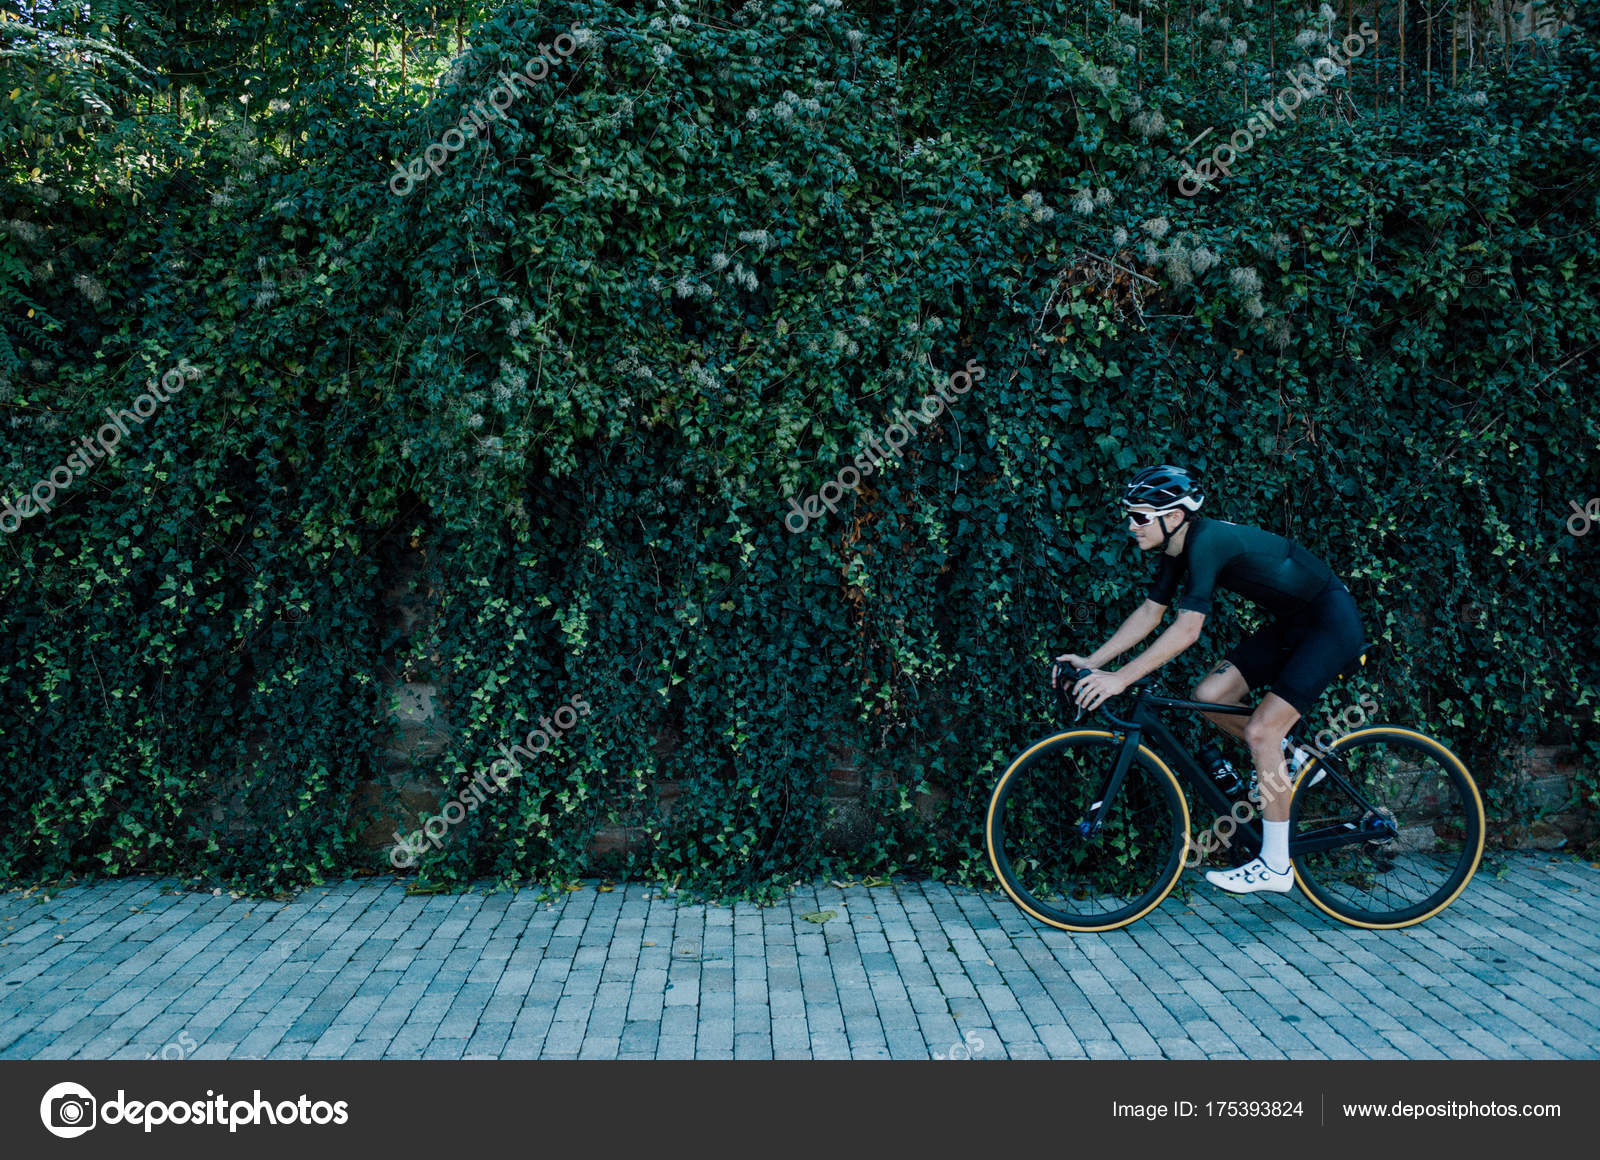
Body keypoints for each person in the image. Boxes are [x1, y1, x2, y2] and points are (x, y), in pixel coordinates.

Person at [1052, 465, 1365, 893]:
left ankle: (1275, 866)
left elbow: (1187, 630)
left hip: (1330, 627)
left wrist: (1120, 679)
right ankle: (1298, 756)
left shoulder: (1207, 542)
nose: (1131, 525)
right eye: (1130, 514)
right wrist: (1093, 661)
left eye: (1140, 516)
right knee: (1209, 694)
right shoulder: (1177, 549)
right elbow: (1151, 613)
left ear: (1174, 516)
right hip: (1298, 625)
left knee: (1260, 732)